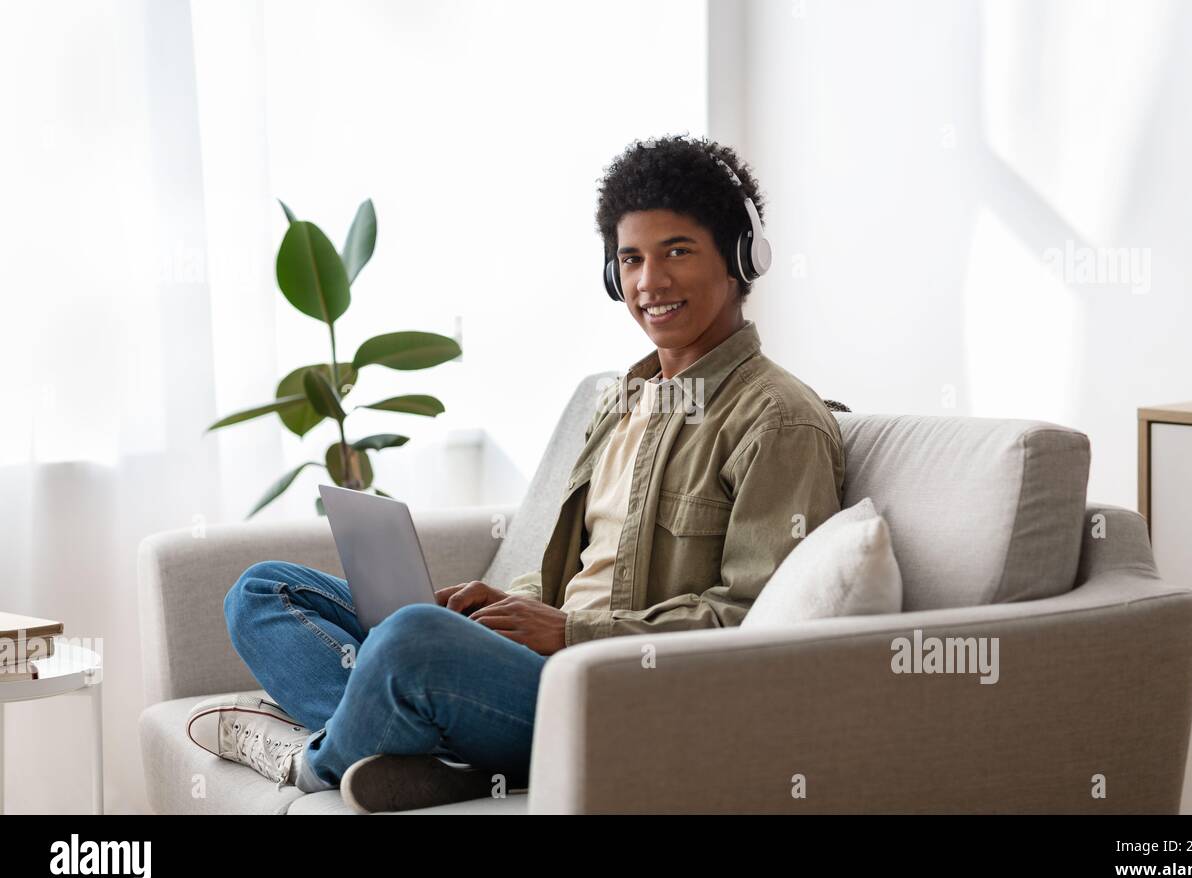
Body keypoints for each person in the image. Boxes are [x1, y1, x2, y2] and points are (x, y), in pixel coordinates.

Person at [188, 134, 845, 813]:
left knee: (409, 643)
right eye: (630, 259)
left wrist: (568, 634)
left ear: (741, 257)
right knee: (262, 592)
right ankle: (411, 748)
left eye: (677, 251)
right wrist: (492, 604)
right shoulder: (621, 402)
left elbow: (755, 627)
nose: (649, 282)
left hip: (612, 695)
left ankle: (315, 759)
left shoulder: (778, 421)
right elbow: (575, 571)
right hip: (539, 667)